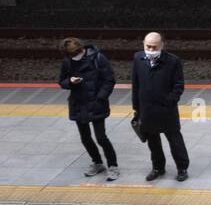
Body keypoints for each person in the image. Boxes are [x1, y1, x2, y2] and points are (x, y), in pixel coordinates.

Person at [58, 37, 119, 182]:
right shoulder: (68, 61)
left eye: (76, 54)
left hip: (96, 103)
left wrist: (100, 98)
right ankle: (97, 162)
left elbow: (109, 79)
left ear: (81, 49)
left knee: (101, 137)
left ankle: (113, 166)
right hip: (78, 104)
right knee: (85, 137)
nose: (75, 58)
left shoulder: (98, 58)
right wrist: (70, 82)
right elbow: (62, 81)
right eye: (71, 56)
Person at [131, 32, 189, 182]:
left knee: (175, 139)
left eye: (154, 47)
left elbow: (178, 85)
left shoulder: (173, 61)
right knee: (152, 141)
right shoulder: (138, 58)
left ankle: (182, 168)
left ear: (162, 45)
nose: (150, 49)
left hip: (166, 109)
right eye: (147, 46)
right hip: (146, 109)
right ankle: (158, 167)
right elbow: (135, 83)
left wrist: (169, 101)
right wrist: (136, 107)